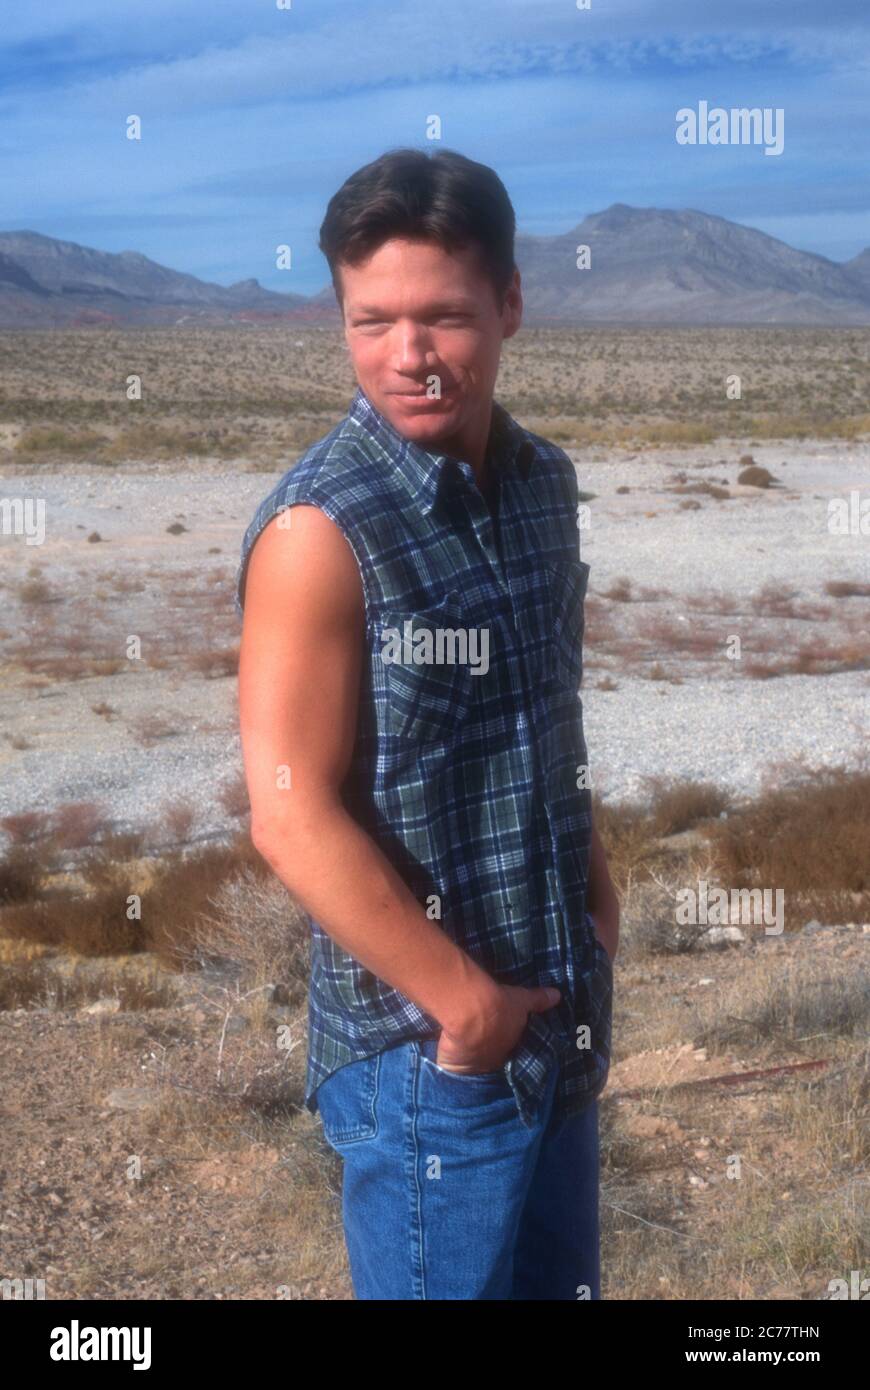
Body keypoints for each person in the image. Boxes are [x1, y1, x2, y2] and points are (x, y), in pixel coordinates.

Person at [235, 147, 619, 1300]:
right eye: (372, 320)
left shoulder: (544, 484)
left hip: (558, 1015)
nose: (409, 356)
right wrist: (464, 1009)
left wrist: (597, 905)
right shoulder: (320, 532)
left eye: (444, 316)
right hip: (428, 1059)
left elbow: (545, 720)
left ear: (509, 300)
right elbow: (288, 817)